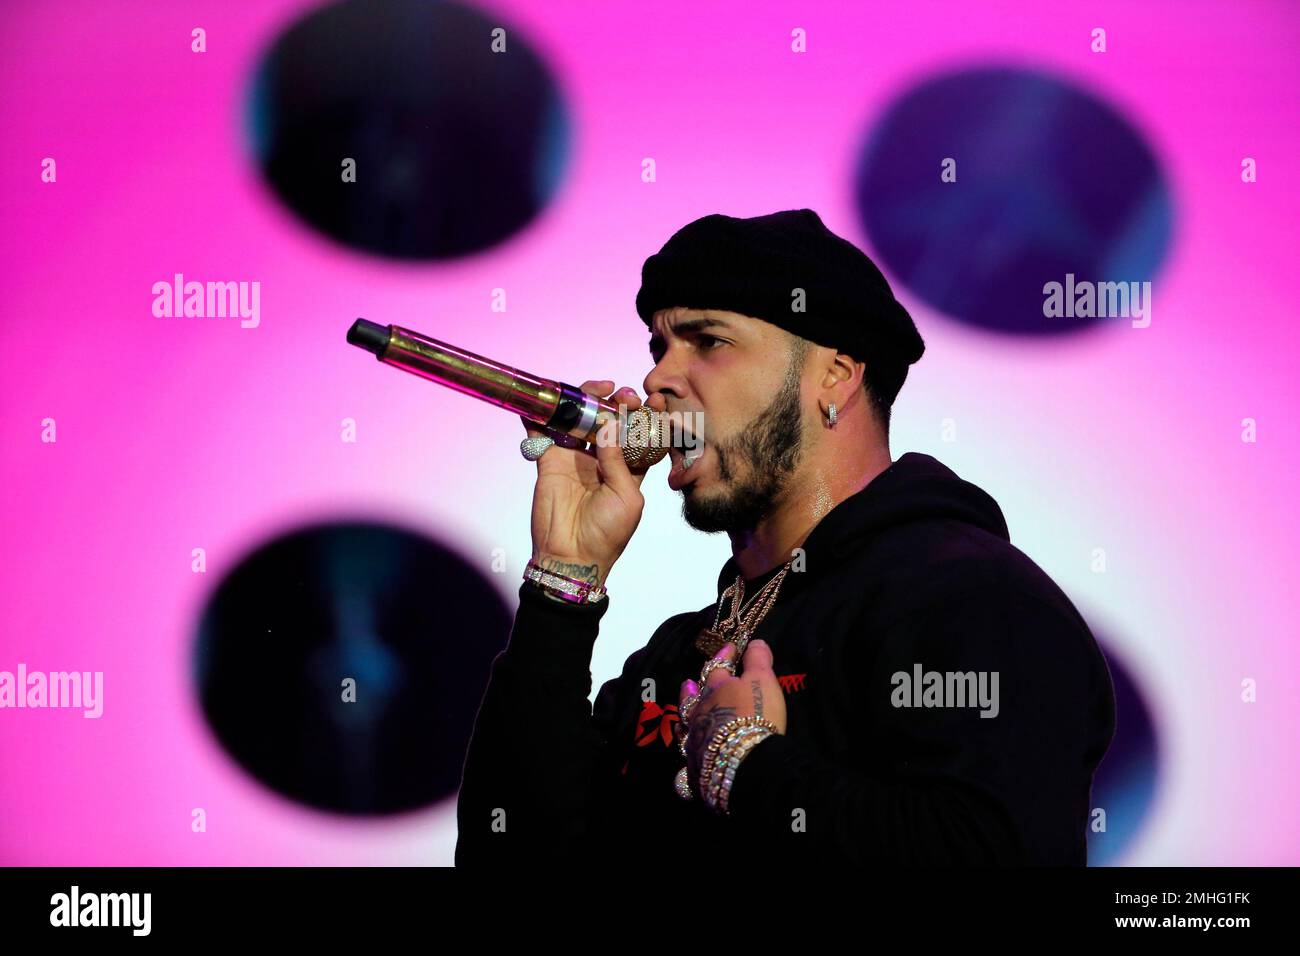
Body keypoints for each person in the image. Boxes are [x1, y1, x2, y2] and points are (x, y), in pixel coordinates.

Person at [455, 209, 1116, 867]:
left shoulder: (968, 597)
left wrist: (749, 769)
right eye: (659, 347)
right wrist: (561, 584)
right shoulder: (676, 652)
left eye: (707, 341)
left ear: (834, 375)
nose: (657, 379)